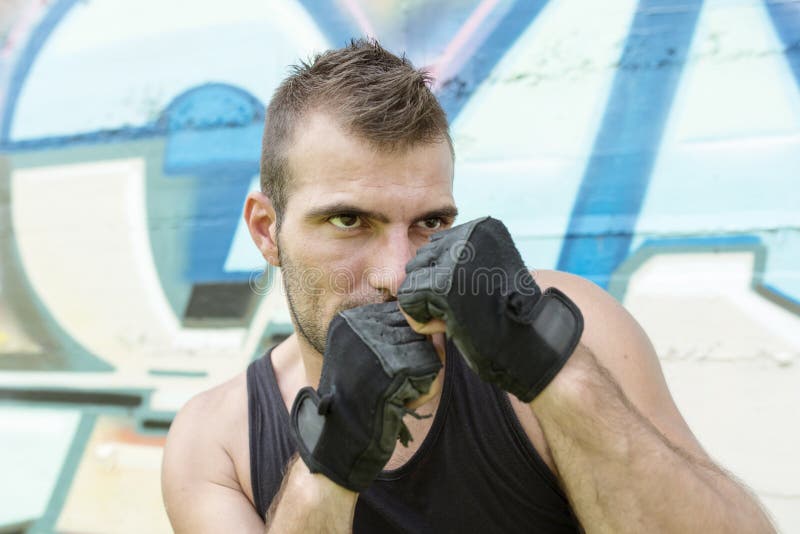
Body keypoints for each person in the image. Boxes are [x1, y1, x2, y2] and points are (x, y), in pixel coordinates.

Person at [161, 39, 775, 533]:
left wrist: (555, 374)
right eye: (348, 221)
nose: (396, 274)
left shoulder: (571, 324)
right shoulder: (216, 442)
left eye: (429, 223)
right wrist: (330, 457)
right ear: (267, 230)